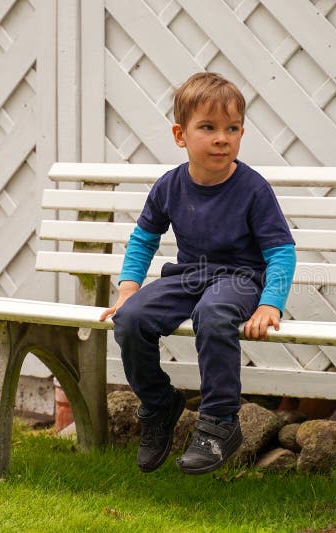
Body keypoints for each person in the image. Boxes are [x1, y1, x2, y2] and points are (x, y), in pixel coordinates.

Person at [99, 72, 296, 475]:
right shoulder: (170, 186)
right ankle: (158, 405)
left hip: (238, 279)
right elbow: (143, 240)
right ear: (180, 134)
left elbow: (281, 251)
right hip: (188, 276)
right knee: (131, 318)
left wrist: (270, 304)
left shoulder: (253, 189)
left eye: (232, 128)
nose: (222, 138)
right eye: (208, 127)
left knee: (214, 313)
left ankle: (220, 421)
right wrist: (127, 291)